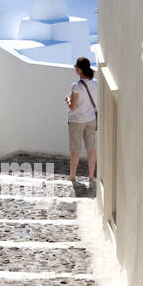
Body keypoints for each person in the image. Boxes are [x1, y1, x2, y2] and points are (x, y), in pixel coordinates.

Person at [65, 56, 98, 188]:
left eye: (76, 68)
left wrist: (67, 99)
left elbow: (73, 107)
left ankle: (72, 177)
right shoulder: (95, 82)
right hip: (91, 120)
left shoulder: (76, 86)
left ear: (79, 70)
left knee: (75, 150)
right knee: (91, 149)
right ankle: (91, 177)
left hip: (77, 121)